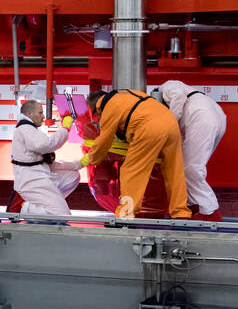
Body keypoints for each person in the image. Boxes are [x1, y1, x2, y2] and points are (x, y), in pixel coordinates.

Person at [81, 89, 191, 220]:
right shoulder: (128, 95)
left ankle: (126, 214)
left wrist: (90, 158)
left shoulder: (108, 107)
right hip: (171, 123)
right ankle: (180, 212)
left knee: (130, 171)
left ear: (96, 108)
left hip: (149, 128)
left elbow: (103, 142)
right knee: (174, 169)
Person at [154, 81, 227, 221]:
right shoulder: (186, 94)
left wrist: (169, 124)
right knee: (191, 166)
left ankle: (209, 212)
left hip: (202, 116)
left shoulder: (166, 86)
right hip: (215, 114)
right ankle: (194, 207)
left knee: (190, 169)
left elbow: (178, 97)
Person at [10, 99, 80, 215]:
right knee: (62, 215)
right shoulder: (25, 129)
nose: (43, 117)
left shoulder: (30, 130)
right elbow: (47, 144)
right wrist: (65, 129)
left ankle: (49, 203)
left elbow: (49, 164)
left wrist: (79, 164)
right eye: (40, 113)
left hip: (39, 175)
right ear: (29, 114)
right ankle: (26, 207)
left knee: (73, 176)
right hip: (32, 181)